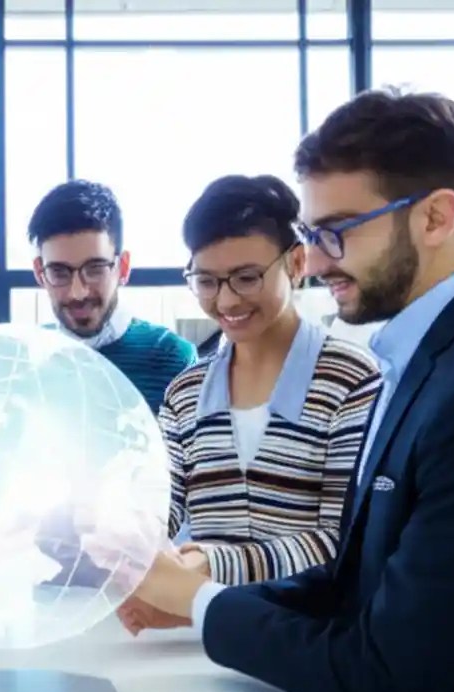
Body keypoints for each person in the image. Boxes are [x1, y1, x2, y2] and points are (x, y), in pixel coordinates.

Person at [116, 88, 454, 692]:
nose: (317, 260)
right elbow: (364, 578)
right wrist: (199, 599)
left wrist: (203, 600)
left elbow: (388, 673)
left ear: (435, 218)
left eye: (337, 232)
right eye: (312, 234)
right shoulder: (430, 357)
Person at [155, 174, 380, 592]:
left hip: (310, 639)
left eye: (246, 277)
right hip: (198, 634)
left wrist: (214, 564)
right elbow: (156, 512)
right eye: (206, 281)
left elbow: (345, 539)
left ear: (296, 263)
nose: (225, 301)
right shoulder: (184, 395)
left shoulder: (353, 382)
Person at [27, 179, 197, 414]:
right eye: (59, 272)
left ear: (123, 267)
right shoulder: (25, 360)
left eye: (95, 269)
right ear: (39, 272)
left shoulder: (172, 358)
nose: (78, 292)